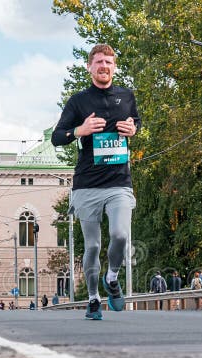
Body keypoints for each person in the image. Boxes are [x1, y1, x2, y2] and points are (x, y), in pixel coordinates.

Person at [52, 43, 141, 320]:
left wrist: (133, 129)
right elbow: (57, 137)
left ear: (114, 67)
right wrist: (80, 130)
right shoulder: (78, 102)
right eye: (99, 62)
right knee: (91, 246)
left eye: (109, 62)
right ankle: (93, 299)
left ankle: (112, 278)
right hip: (88, 184)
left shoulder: (127, 96)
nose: (104, 66)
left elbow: (136, 122)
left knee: (120, 235)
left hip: (119, 183)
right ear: (89, 67)